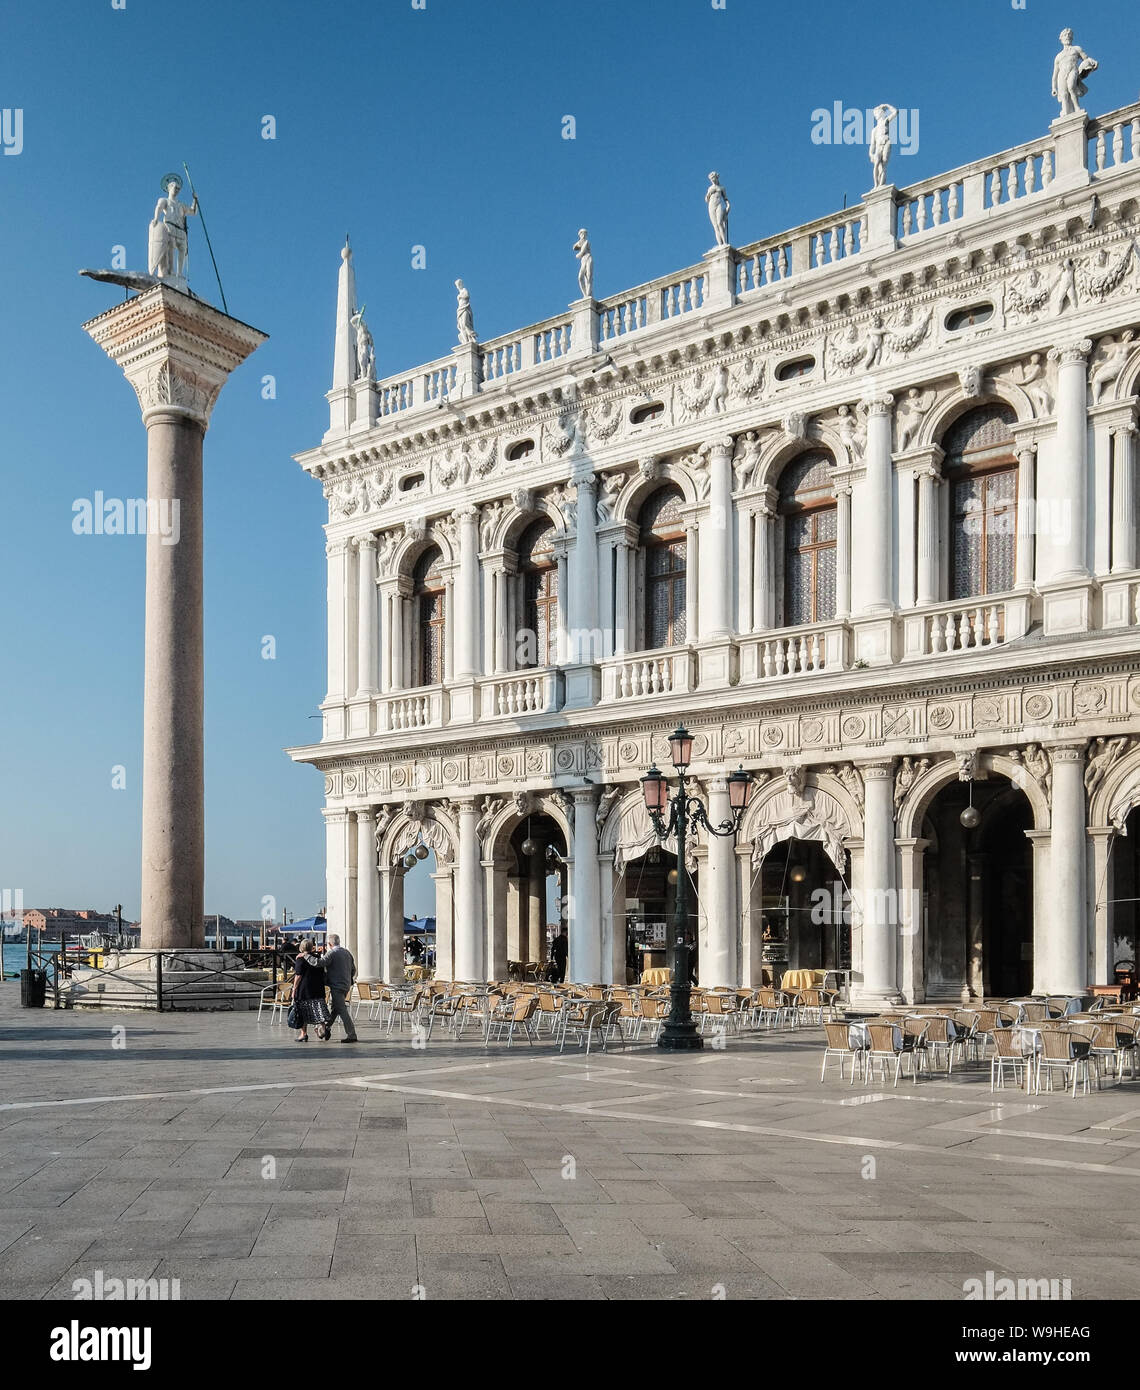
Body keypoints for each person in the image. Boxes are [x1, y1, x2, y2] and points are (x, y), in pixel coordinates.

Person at [290, 938, 330, 1043]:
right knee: (318, 1009)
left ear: (301, 947)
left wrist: (294, 989)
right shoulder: (317, 958)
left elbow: (298, 975)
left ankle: (303, 1034)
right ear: (311, 947)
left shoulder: (300, 959)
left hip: (305, 989)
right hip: (318, 987)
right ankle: (323, 1029)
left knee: (302, 1011)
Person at [320, 933, 359, 1043]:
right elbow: (354, 969)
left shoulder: (332, 953)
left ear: (329, 944)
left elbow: (320, 963)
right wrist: (348, 978)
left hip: (336, 985)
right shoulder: (347, 953)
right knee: (336, 1008)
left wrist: (306, 956)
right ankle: (326, 1028)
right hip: (346, 985)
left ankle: (352, 1034)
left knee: (342, 1010)